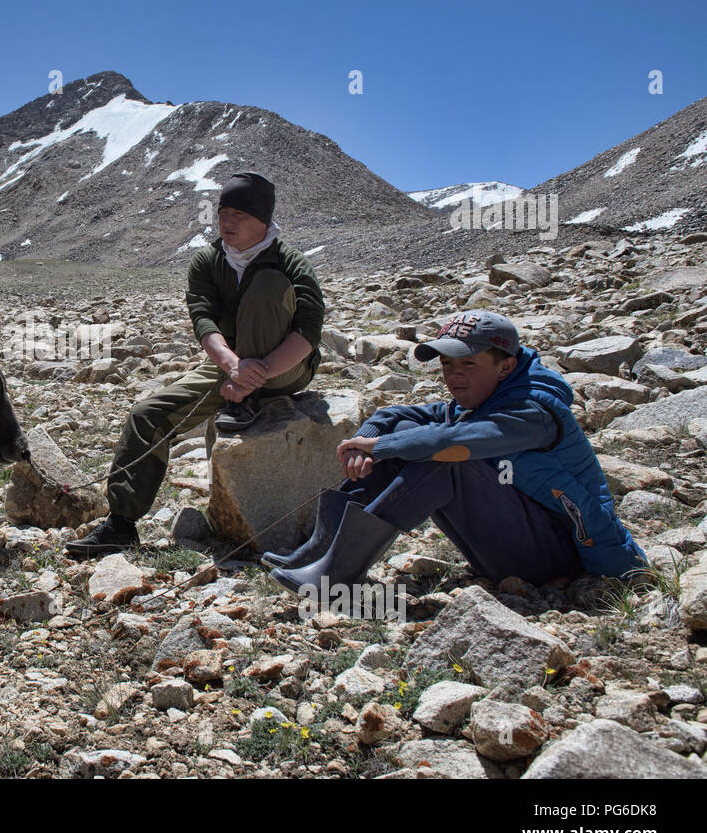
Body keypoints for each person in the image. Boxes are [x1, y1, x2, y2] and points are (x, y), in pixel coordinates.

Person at [260, 311, 647, 592]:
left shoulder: (535, 411)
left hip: (566, 557)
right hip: (519, 545)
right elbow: (401, 414)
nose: (454, 375)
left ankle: (337, 575)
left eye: (468, 363)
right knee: (413, 433)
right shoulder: (485, 397)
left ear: (506, 366)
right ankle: (321, 551)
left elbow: (457, 444)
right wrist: (371, 435)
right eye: (447, 364)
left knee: (443, 458)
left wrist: (381, 448)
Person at [67, 172, 325, 557]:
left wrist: (258, 374)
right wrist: (233, 367)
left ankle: (244, 400)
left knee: (268, 285)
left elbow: (308, 330)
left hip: (286, 365)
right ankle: (121, 524)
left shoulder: (290, 262)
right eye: (223, 212)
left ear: (264, 221)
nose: (227, 221)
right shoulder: (208, 260)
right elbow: (202, 319)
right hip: (229, 365)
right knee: (147, 415)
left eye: (239, 213)